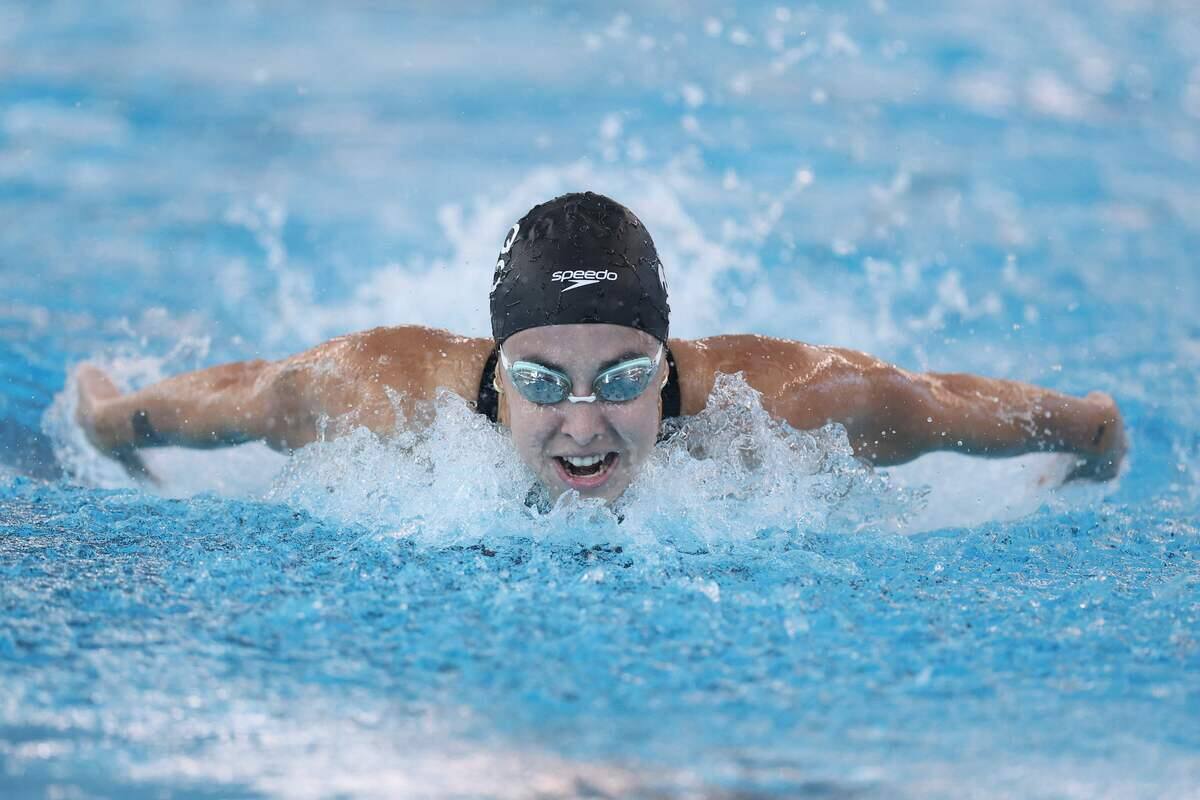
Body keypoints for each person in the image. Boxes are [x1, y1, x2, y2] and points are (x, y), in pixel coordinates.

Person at [75, 192, 1126, 502]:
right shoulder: (380, 395)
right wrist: (113, 418)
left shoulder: (790, 406)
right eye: (542, 380)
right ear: (497, 372)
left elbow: (944, 402)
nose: (583, 424)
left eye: (622, 376)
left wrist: (1089, 434)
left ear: (666, 364)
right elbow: (245, 393)